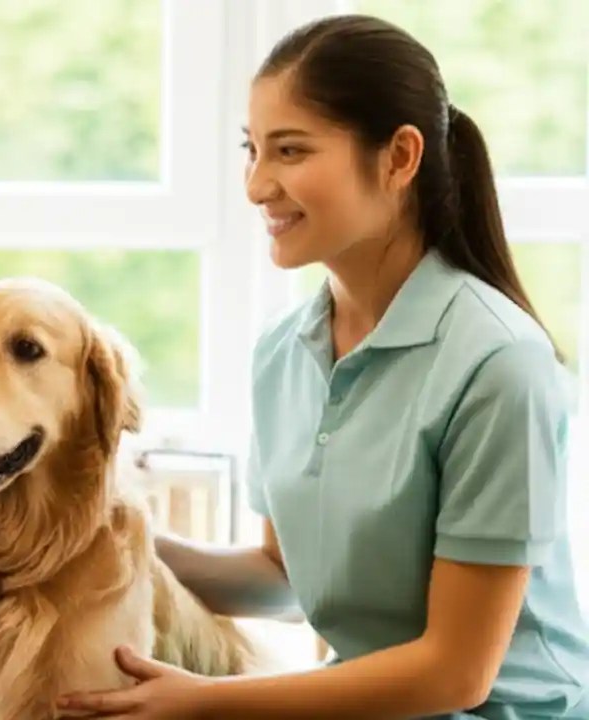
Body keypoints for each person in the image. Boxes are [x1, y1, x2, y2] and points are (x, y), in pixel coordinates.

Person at [60, 13, 589, 720]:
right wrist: (103, 531)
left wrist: (209, 703)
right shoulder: (284, 352)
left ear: (400, 158)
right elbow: (282, 580)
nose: (255, 185)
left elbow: (458, 675)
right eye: (252, 150)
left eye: (290, 151)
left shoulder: (500, 365)